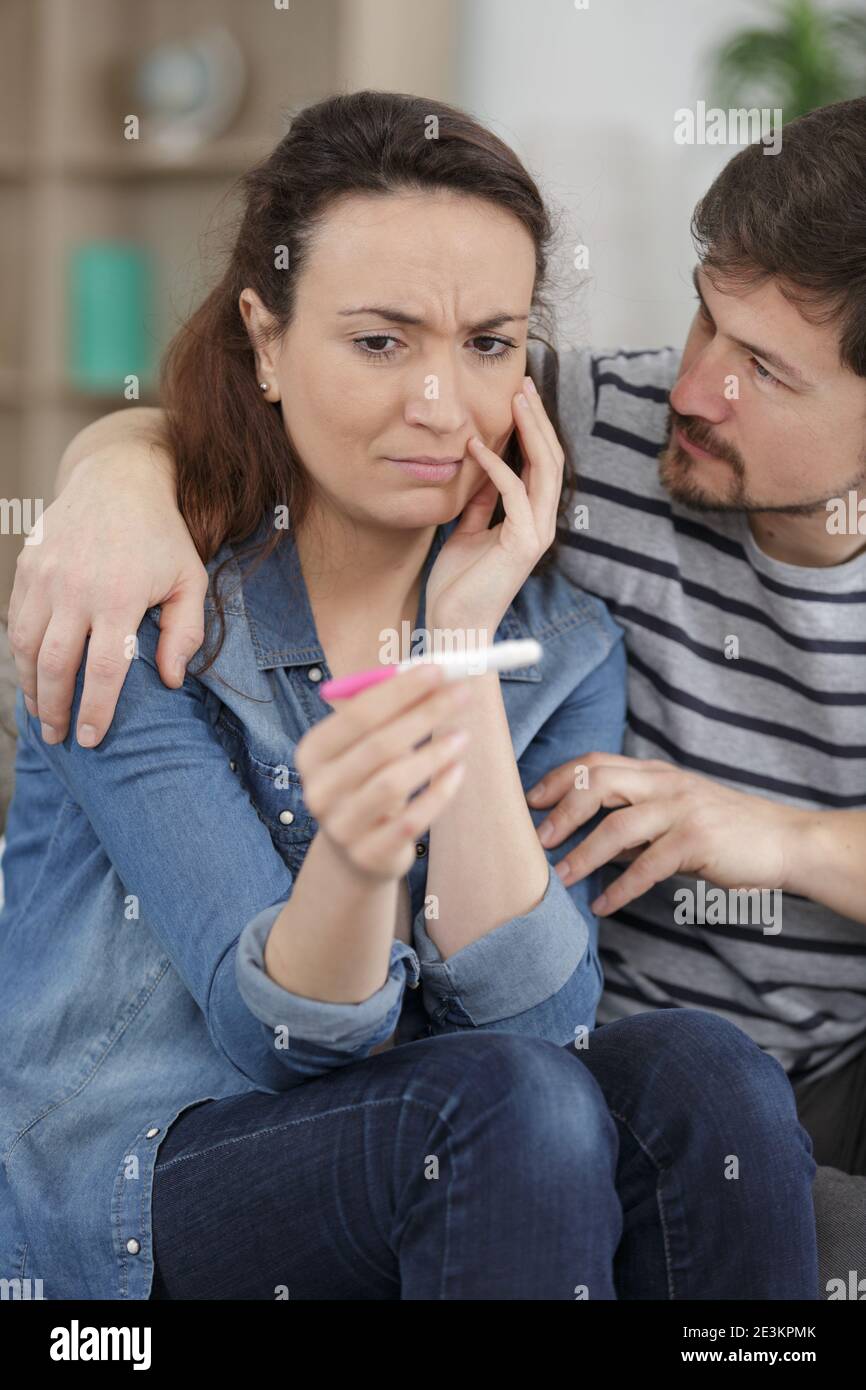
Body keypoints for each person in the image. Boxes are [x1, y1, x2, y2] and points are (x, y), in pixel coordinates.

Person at [0, 90, 817, 1301]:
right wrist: (363, 853)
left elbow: (539, 1019)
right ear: (265, 341)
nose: (441, 404)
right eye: (379, 342)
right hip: (143, 1187)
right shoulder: (138, 608)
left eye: (487, 345)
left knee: (708, 1076)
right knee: (500, 1104)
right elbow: (278, 1036)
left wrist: (456, 647)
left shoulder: (563, 644)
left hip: (449, 1136)